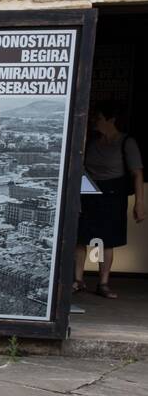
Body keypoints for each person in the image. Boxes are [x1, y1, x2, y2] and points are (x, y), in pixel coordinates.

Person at [76, 101, 144, 298]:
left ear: (110, 119)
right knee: (81, 238)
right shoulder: (91, 142)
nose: (94, 121)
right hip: (88, 192)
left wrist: (140, 202)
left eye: (98, 118)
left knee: (105, 241)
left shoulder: (126, 142)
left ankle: (103, 283)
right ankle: (78, 280)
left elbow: (137, 173)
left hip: (113, 195)